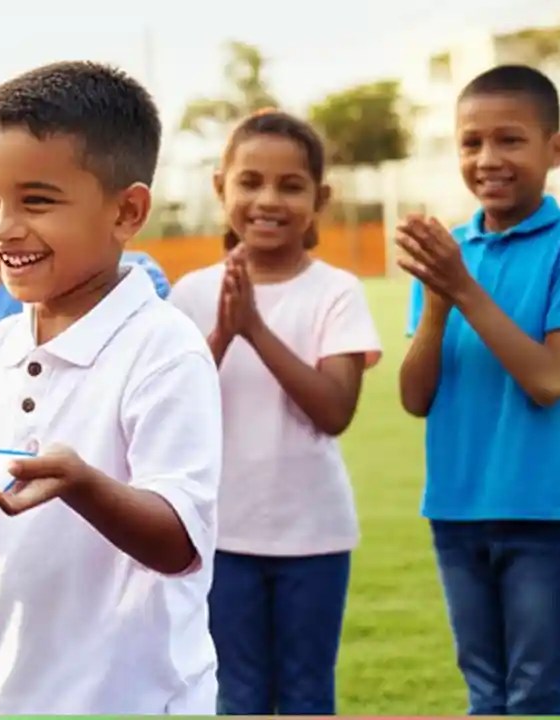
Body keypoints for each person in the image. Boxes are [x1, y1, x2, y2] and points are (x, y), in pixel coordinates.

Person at [0, 60, 223, 715]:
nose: (1, 227)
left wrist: (84, 486)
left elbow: (179, 543)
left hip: (143, 702)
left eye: (36, 200)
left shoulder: (164, 351)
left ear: (127, 211)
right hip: (18, 696)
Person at [169, 110, 382, 716]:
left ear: (321, 198)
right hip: (221, 534)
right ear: (220, 188)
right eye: (250, 182)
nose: (268, 200)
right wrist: (220, 336)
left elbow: (334, 409)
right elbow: (177, 409)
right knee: (236, 694)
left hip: (313, 535)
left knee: (306, 694)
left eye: (291, 186)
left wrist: (254, 330)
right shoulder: (191, 294)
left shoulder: (335, 291)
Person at [397, 64, 560, 716]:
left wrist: (462, 287)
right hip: (455, 509)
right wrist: (435, 304)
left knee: (535, 693)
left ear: (555, 149)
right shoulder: (448, 253)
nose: (487, 159)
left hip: (542, 513)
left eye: (510, 140)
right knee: (484, 694)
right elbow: (415, 397)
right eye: (471, 142)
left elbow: (550, 380)